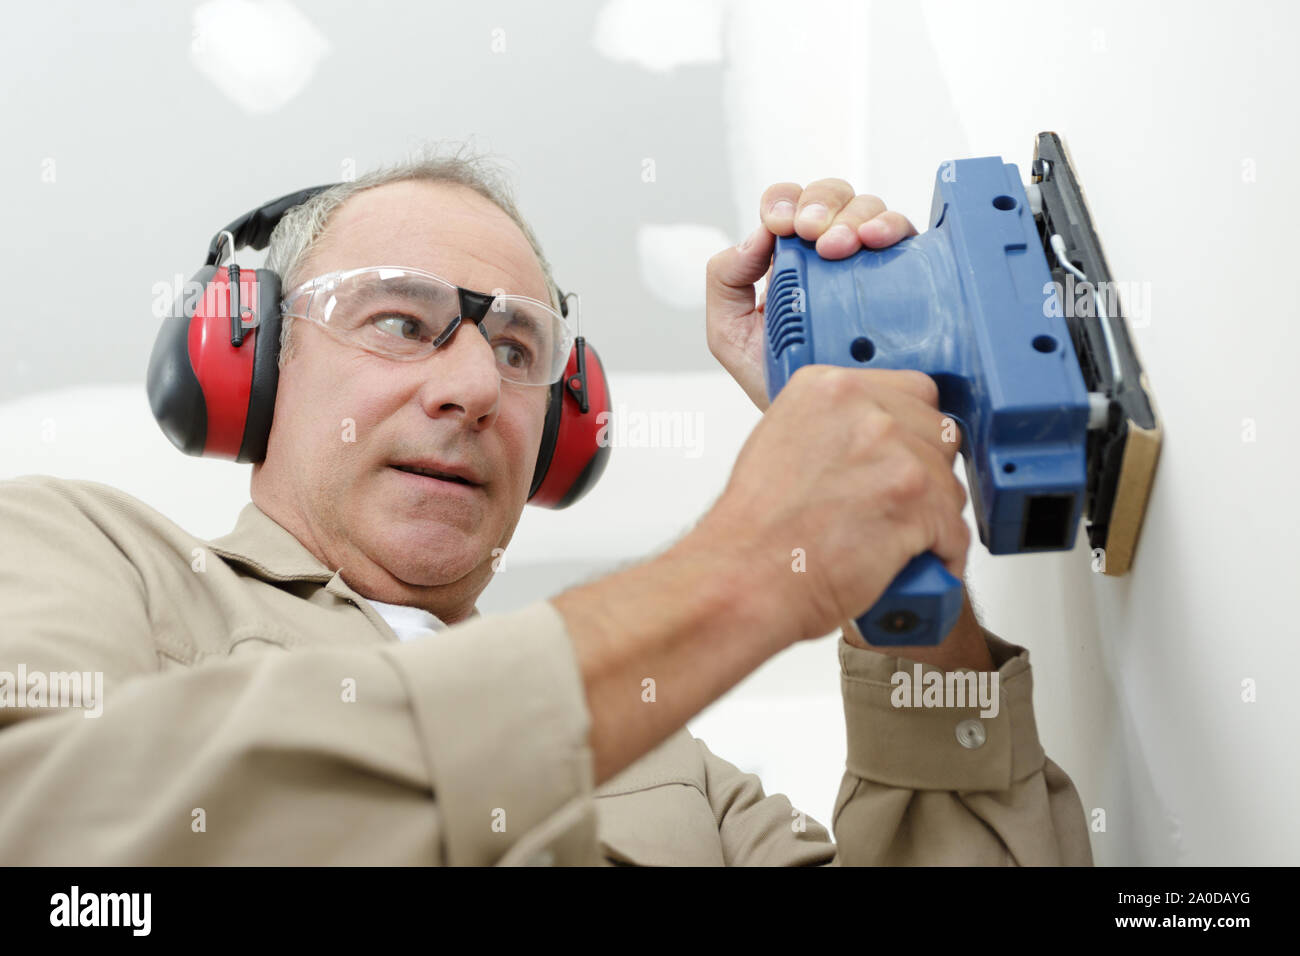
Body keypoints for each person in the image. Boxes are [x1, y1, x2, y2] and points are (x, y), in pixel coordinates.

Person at [0, 152, 1092, 866]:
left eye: (517, 346)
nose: (474, 386)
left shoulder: (677, 779)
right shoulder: (83, 555)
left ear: (563, 428)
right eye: (396, 318)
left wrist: (897, 565)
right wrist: (745, 570)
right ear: (251, 363)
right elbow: (59, 837)